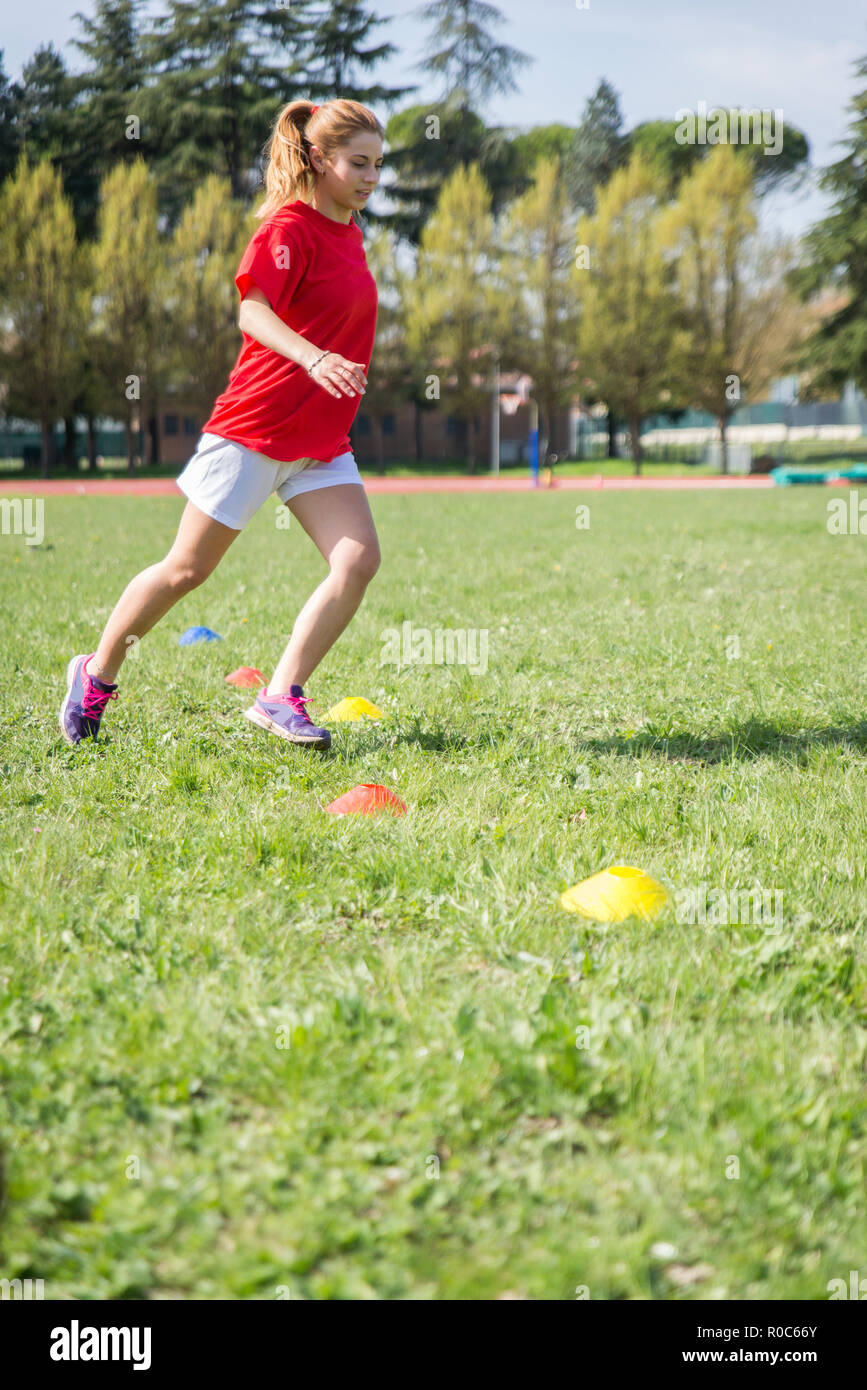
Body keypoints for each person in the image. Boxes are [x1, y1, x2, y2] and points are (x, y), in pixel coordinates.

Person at [60, 98, 384, 751]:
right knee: (185, 571)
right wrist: (314, 357)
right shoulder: (287, 229)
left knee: (356, 562)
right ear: (318, 159)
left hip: (320, 442)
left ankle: (280, 695)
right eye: (358, 163)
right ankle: (94, 676)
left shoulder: (349, 232)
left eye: (379, 165)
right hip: (255, 428)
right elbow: (253, 315)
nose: (370, 178)